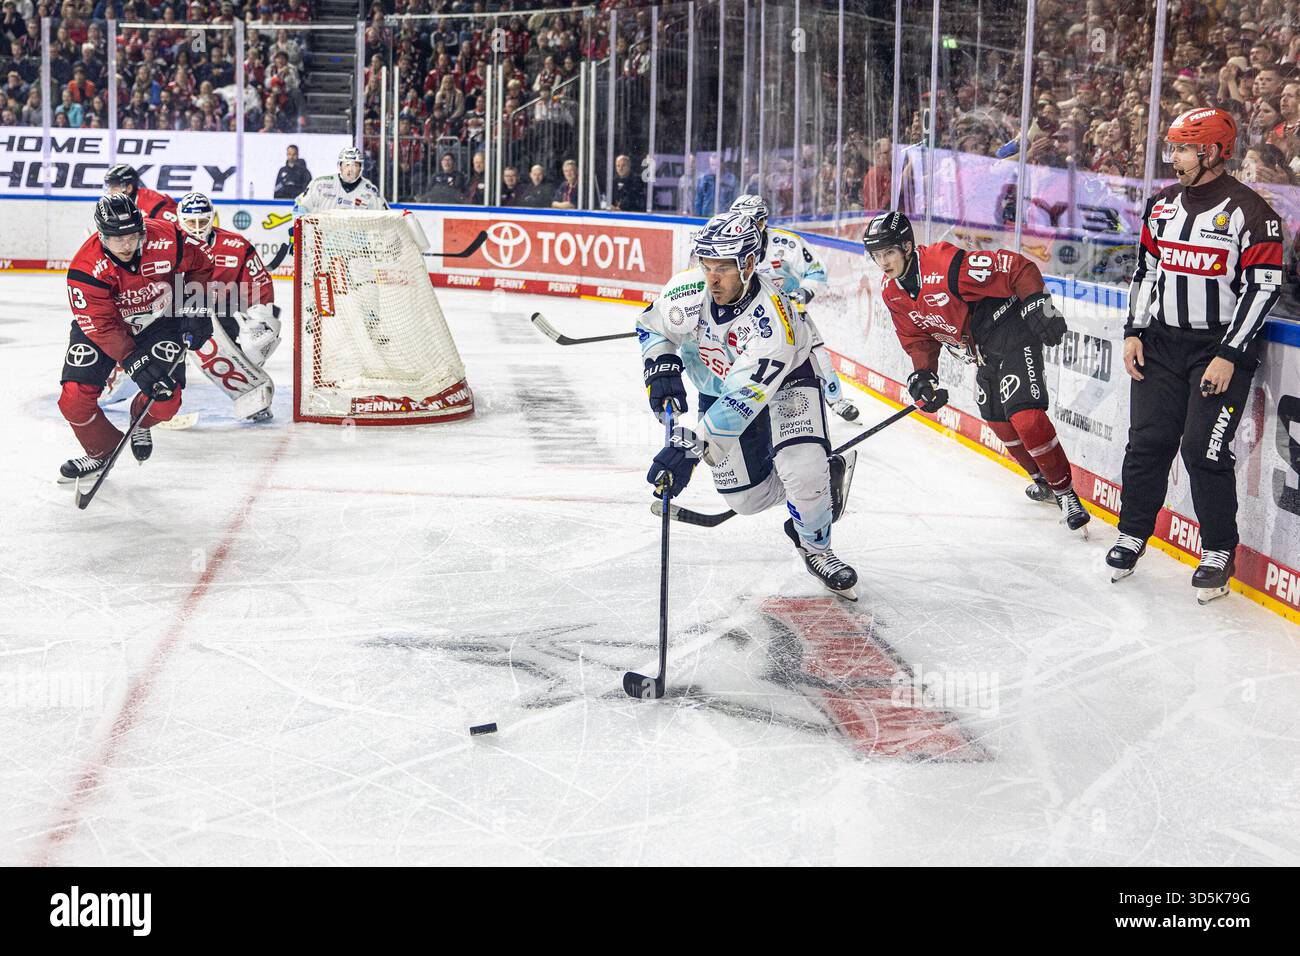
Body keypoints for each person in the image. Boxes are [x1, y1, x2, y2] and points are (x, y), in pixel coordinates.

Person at [1109, 108, 1284, 603]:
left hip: (1220, 349)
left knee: (1202, 450)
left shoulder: (1252, 213)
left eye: (1183, 149)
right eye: (1174, 148)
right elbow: (1146, 273)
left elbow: (1263, 289)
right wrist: (1134, 330)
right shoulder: (1162, 206)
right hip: (1161, 342)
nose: (1175, 159)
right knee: (1147, 443)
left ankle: (1217, 550)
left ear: (1210, 152)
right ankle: (1133, 532)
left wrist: (1230, 351)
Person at [637, 213, 860, 600]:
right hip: (722, 384)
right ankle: (818, 489)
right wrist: (661, 365)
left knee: (802, 469)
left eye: (723, 267)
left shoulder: (772, 321)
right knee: (745, 500)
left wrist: (687, 449)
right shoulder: (688, 291)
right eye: (707, 265)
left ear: (749, 264)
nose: (712, 277)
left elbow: (743, 400)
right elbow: (652, 326)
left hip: (789, 379)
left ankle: (816, 544)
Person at [863, 210, 1090, 533]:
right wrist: (924, 375)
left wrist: (1037, 302)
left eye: (888, 252)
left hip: (1010, 329)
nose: (883, 262)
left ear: (907, 247)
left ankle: (1066, 493)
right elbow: (917, 338)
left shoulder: (945, 265)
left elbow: (1015, 266)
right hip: (981, 347)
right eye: (876, 255)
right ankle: (1043, 481)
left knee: (1025, 416)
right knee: (997, 419)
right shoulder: (893, 293)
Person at [58, 195, 215, 483]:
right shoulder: (85, 268)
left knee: (166, 401)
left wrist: (196, 304)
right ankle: (101, 450)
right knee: (74, 399)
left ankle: (140, 417)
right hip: (107, 328)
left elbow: (202, 262)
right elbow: (101, 326)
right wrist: (133, 360)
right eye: (117, 239)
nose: (127, 245)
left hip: (159, 321)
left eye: (132, 236)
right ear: (101, 235)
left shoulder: (167, 238)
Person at [730, 194, 859, 423]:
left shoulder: (787, 243)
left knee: (817, 350)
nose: (748, 228)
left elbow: (816, 270)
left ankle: (836, 399)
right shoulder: (728, 247)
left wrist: (804, 292)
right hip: (749, 317)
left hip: (788, 310)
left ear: (763, 222)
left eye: (754, 223)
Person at [175, 192, 279, 421]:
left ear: (212, 219)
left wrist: (260, 317)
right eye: (191, 222)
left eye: (202, 222)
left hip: (220, 311)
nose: (197, 227)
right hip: (175, 308)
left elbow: (258, 282)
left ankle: (253, 396)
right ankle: (164, 398)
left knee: (245, 349)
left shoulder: (235, 246)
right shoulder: (167, 244)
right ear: (180, 220)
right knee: (166, 355)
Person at [294, 145, 386, 213]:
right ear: (340, 166)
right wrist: (297, 225)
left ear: (361, 168)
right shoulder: (320, 184)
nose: (350, 169)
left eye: (355, 165)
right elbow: (300, 205)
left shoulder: (370, 192)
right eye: (347, 164)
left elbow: (385, 216)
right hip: (322, 237)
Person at [103, 162, 177, 223]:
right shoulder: (122, 204)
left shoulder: (154, 205)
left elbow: (180, 230)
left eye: (114, 188)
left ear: (129, 188)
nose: (110, 192)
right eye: (108, 187)